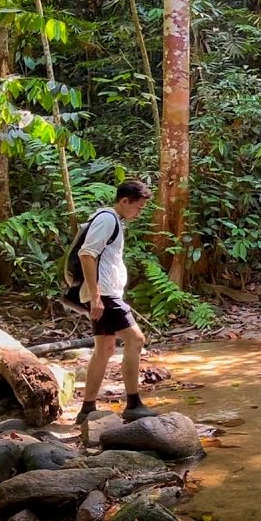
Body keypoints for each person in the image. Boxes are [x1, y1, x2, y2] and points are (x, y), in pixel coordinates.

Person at [67, 180, 155, 423]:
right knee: (136, 340)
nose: (139, 212)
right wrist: (96, 296)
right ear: (125, 201)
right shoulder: (108, 219)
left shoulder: (111, 220)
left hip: (104, 294)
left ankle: (87, 408)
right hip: (104, 295)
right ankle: (134, 403)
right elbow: (86, 255)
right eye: (138, 207)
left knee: (104, 349)